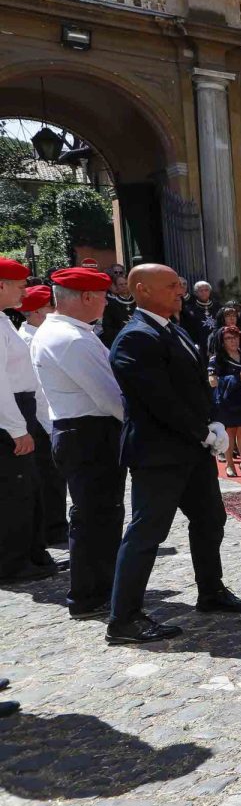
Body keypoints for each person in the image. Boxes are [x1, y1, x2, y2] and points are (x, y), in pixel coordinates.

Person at [108, 263, 241, 644]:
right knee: (147, 532)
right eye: (171, 285)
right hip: (160, 453)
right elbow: (160, 401)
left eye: (180, 284)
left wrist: (214, 421)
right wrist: (204, 432)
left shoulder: (172, 328)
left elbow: (197, 386)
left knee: (210, 519)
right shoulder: (135, 337)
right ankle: (123, 617)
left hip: (192, 448)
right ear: (141, 289)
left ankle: (211, 591)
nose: (180, 291)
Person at [32, 266, 125, 617]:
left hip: (82, 432)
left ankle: (99, 589)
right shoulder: (70, 338)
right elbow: (110, 397)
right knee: (95, 518)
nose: (105, 303)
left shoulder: (65, 331)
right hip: (89, 434)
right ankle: (91, 595)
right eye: (102, 296)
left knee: (97, 515)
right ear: (86, 297)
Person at [0, 257, 52, 583]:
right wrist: (18, 428)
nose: (24, 290)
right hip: (11, 413)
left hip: (21, 407)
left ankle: (32, 554)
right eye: (19, 285)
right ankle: (12, 564)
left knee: (30, 488)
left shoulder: (4, 319)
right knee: (14, 492)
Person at [18, 285, 67, 546]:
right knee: (49, 478)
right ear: (37, 312)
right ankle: (54, 529)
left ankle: (56, 526)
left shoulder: (39, 334)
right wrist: (50, 425)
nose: (55, 309)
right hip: (40, 419)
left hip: (45, 417)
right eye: (51, 306)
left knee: (54, 478)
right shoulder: (29, 339)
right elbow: (36, 390)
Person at [209, 327, 241, 478]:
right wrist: (237, 378)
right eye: (228, 338)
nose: (233, 341)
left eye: (235, 337)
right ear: (221, 341)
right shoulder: (217, 359)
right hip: (227, 400)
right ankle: (229, 464)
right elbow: (213, 382)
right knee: (230, 432)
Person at [99, 263, 134, 346]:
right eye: (121, 285)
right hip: (120, 340)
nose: (124, 286)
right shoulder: (111, 304)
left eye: (126, 284)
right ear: (116, 287)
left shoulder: (138, 301)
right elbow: (108, 328)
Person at [180, 280, 218, 348]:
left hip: (217, 342)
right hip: (199, 344)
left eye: (206, 290)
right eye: (201, 290)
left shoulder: (218, 307)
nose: (204, 292)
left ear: (210, 291)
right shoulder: (189, 309)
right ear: (196, 293)